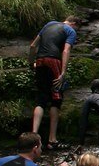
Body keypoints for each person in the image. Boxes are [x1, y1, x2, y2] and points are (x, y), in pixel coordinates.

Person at [29, 16, 79, 150]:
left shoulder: (49, 24)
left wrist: (31, 63)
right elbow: (66, 50)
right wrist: (63, 73)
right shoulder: (70, 31)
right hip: (54, 61)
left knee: (41, 99)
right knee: (56, 99)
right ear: (74, 24)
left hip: (40, 60)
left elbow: (33, 45)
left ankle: (33, 137)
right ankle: (52, 140)